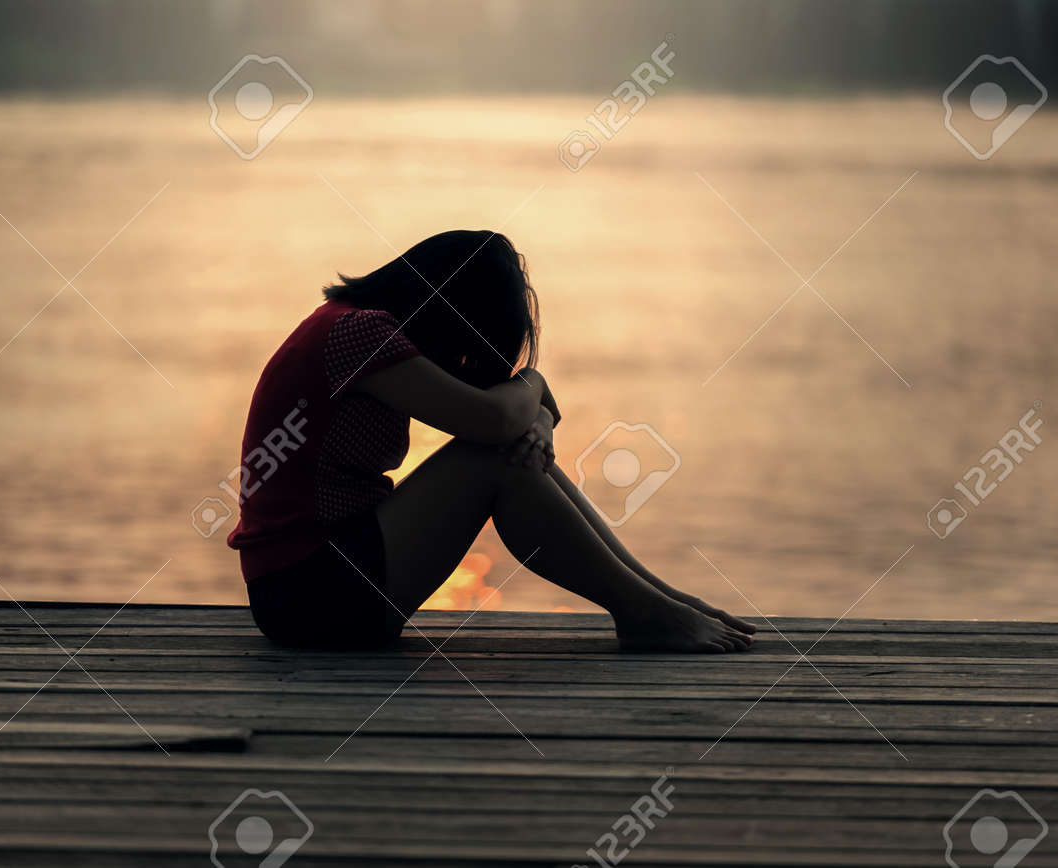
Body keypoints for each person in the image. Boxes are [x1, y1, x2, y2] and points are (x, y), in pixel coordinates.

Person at [227, 230, 755, 652]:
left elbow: (508, 416)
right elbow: (493, 418)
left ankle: (657, 600)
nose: (465, 361)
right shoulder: (357, 334)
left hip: (320, 587)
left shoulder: (353, 329)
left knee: (503, 453)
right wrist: (537, 384)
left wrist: (537, 418)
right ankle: (646, 611)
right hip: (309, 595)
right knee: (491, 459)